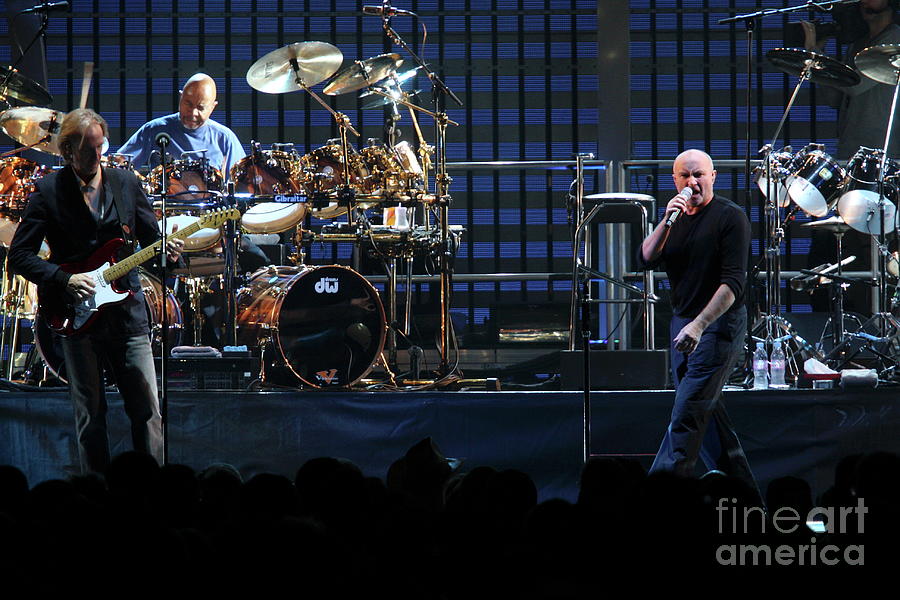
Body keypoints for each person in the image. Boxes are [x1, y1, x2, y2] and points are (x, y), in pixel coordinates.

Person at [8, 109, 184, 473]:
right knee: (91, 415)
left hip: (127, 315)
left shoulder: (126, 183)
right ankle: (95, 498)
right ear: (68, 151)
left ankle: (154, 494)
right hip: (76, 316)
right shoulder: (48, 190)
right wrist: (63, 279)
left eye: (101, 147)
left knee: (148, 411)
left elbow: (152, 245)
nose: (98, 156)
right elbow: (20, 257)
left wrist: (168, 252)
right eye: (89, 150)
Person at [636, 149, 760, 498]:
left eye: (699, 175)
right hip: (683, 322)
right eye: (685, 176)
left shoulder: (730, 217)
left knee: (687, 414)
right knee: (708, 415)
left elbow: (733, 284)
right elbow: (645, 257)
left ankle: (658, 500)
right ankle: (748, 500)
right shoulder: (674, 219)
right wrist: (666, 219)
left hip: (716, 325)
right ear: (675, 180)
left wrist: (700, 325)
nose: (692, 183)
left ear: (713, 177)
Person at [803, 0, 900, 160]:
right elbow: (835, 99)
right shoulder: (857, 45)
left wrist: (815, 53)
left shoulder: (894, 39)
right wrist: (817, 56)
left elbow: (855, 84)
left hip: (883, 149)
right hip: (851, 146)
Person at [118, 72, 246, 177]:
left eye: (201, 108)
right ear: (181, 98)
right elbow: (120, 164)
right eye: (188, 104)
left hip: (214, 208)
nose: (193, 113)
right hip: (163, 206)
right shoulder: (154, 129)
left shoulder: (225, 138)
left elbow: (240, 182)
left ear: (213, 107)